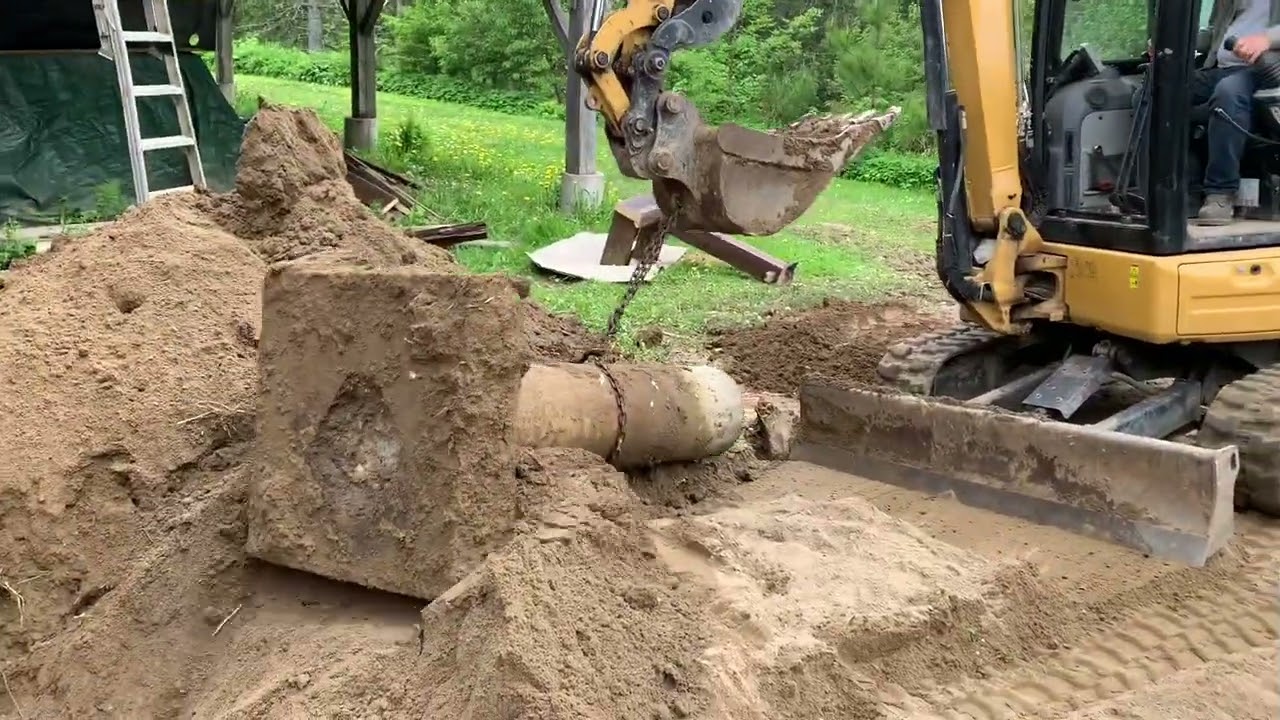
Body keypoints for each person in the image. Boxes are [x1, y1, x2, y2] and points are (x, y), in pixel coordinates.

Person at [1193, 0, 1280, 225]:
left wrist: (1267, 39)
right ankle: (1156, 188)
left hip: (1265, 69)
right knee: (1155, 89)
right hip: (1220, 68)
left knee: (1228, 93)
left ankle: (1220, 194)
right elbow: (1216, 33)